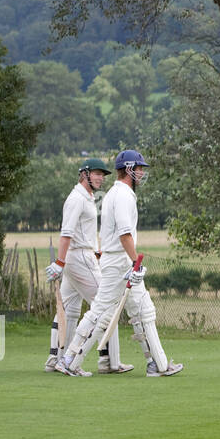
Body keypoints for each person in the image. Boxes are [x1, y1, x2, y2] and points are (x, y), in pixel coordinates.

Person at [58, 150, 183, 377]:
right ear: (128, 169)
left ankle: (157, 364)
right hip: (119, 262)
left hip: (117, 260)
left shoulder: (114, 194)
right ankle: (69, 360)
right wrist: (136, 262)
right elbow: (125, 235)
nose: (142, 172)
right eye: (139, 168)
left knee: (143, 311)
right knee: (101, 311)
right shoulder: (123, 196)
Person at [43, 157, 132, 375]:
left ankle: (55, 358)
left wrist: (96, 251)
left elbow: (85, 232)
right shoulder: (77, 199)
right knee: (106, 306)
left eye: (103, 174)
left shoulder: (87, 197)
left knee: (69, 310)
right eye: (96, 174)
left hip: (81, 256)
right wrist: (60, 262)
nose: (101, 178)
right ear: (85, 174)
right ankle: (103, 361)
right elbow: (67, 233)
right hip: (79, 258)